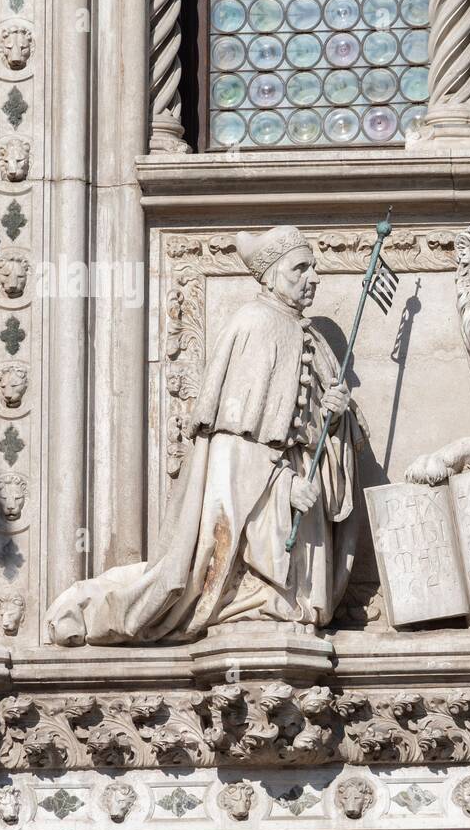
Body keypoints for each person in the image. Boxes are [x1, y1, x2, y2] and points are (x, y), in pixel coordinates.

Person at [47, 226, 364, 646]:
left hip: (300, 494)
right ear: (271, 275)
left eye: (314, 268)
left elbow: (321, 435)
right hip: (266, 495)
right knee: (207, 588)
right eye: (300, 268)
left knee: (292, 605)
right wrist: (285, 487)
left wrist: (338, 419)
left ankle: (279, 601)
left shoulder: (310, 336)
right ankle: (245, 596)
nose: (313, 278)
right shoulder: (253, 326)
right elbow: (234, 443)